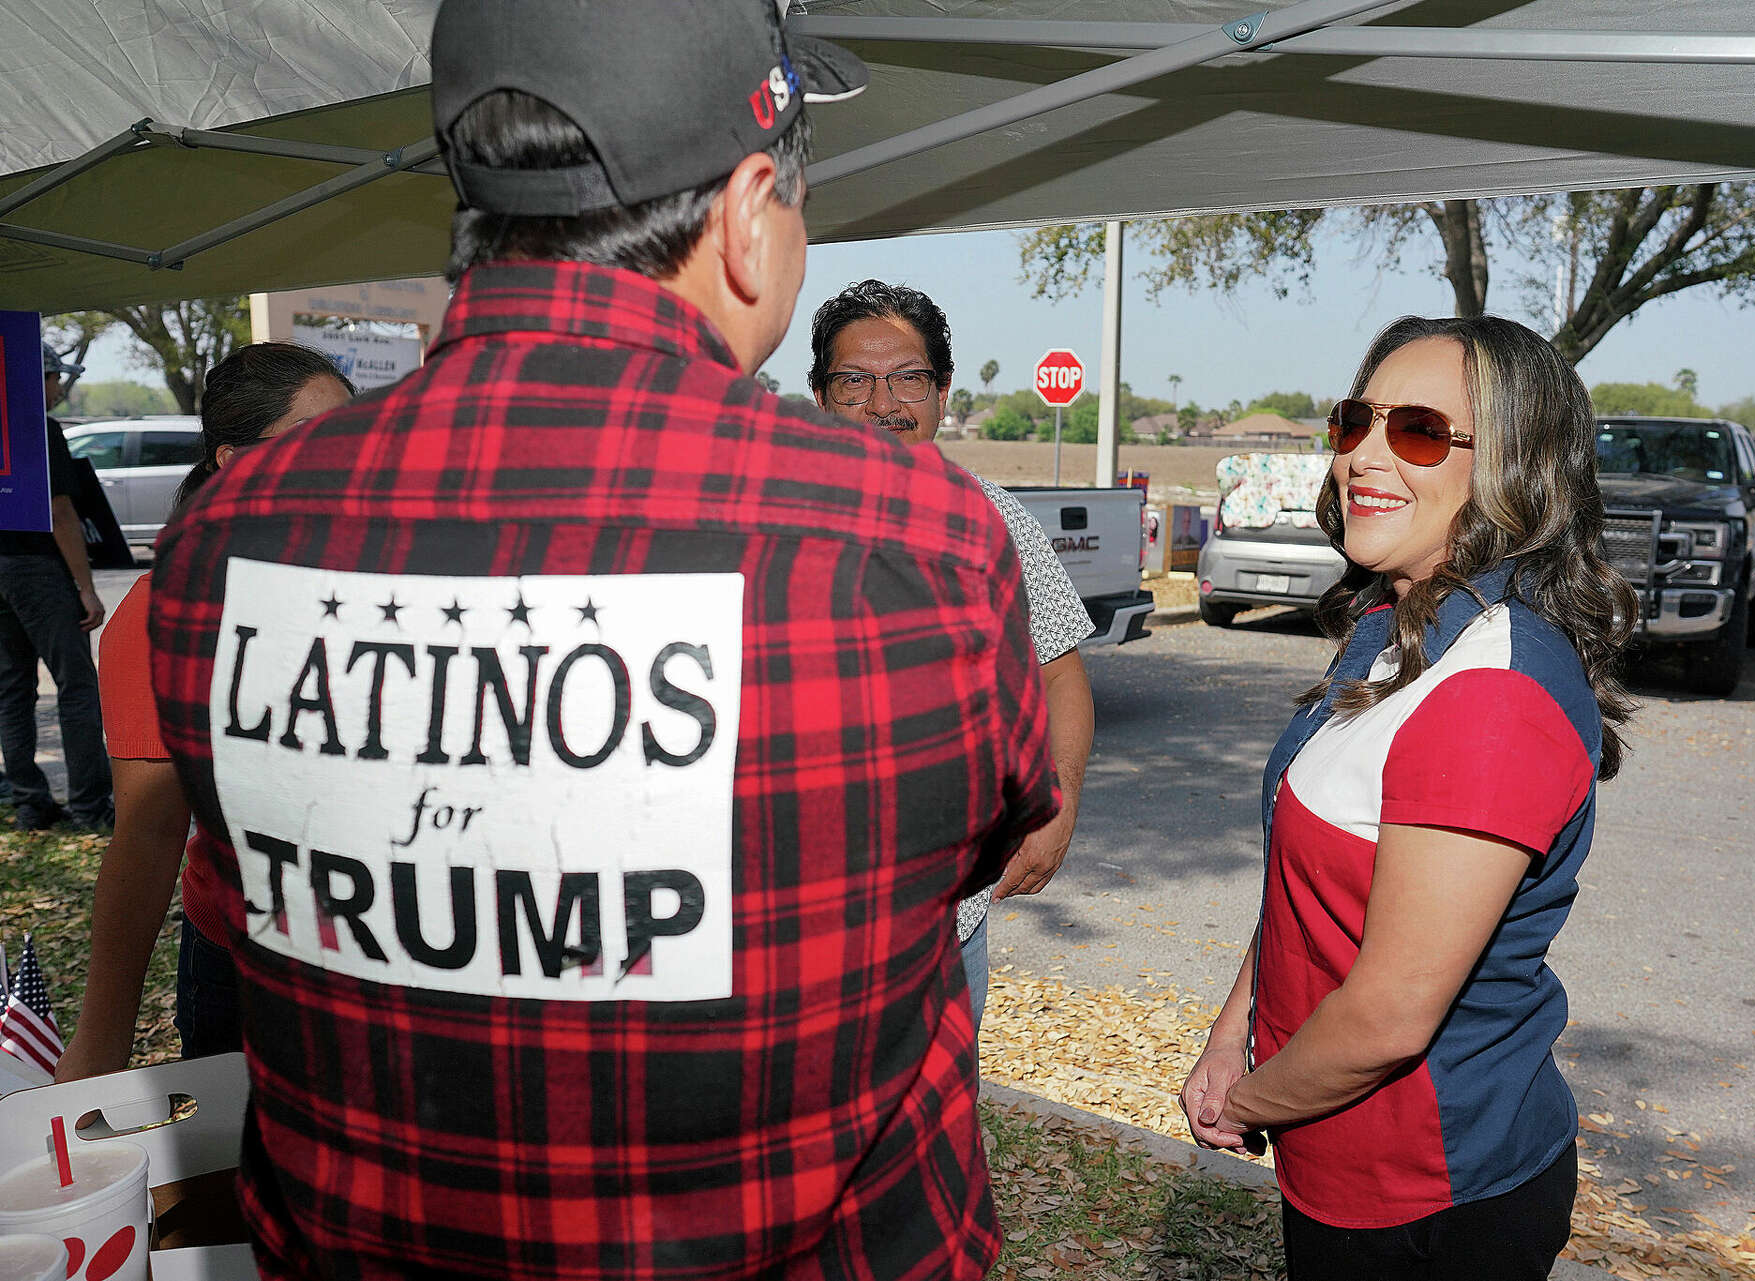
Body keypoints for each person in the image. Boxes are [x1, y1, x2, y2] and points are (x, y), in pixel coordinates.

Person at [146, 4, 1056, 1279]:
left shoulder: (227, 536)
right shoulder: (909, 538)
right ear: (749, 209)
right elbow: (994, 836)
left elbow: (256, 917)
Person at [1180, 315, 1636, 1281]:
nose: (1366, 456)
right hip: (1339, 1157)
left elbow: (1389, 1015)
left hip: (1434, 1198)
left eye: (1420, 430)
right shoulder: (1396, 626)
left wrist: (1246, 1102)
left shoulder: (1490, 696)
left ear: (1518, 468)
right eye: (1356, 421)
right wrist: (1235, 1030)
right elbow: (1307, 892)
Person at [57, 344, 353, 1083]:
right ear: (232, 459)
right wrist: (100, 1041)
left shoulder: (384, 588)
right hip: (248, 971)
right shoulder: (167, 615)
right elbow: (149, 835)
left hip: (385, 964)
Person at [808, 280, 1094, 1029]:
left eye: (907, 377)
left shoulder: (993, 517)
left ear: (940, 393)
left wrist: (1055, 809)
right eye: (854, 381)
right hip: (803, 927)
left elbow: (1060, 675)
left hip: (951, 926)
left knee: (938, 1135)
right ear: (818, 395)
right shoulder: (774, 521)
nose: (883, 403)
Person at [0, 344, 113, 830]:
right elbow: (62, 512)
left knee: (12, 688)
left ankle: (30, 803)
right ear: (36, 380)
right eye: (53, 378)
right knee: (77, 687)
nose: (59, 388)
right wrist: (85, 587)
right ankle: (90, 807)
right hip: (39, 568)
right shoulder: (39, 431)